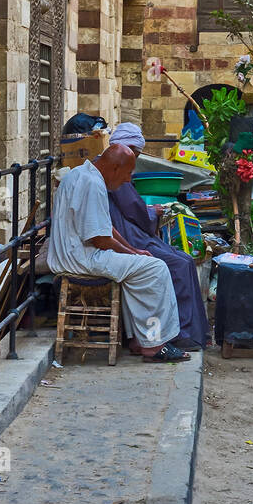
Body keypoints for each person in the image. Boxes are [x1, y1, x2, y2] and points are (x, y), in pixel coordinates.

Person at [48, 142, 187, 362]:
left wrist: (134, 251)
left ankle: (139, 339)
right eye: (127, 173)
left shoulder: (80, 174)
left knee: (142, 266)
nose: (127, 180)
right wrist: (132, 254)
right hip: (82, 259)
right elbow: (100, 239)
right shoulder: (92, 183)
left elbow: (106, 227)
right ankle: (154, 345)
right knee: (156, 269)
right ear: (114, 168)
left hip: (74, 255)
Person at [105, 122, 210, 350]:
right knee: (180, 263)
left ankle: (193, 332)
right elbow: (133, 210)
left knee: (184, 259)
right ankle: (179, 332)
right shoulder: (114, 172)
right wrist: (151, 214)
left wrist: (149, 214)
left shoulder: (115, 170)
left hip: (129, 234)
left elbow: (132, 208)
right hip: (128, 237)